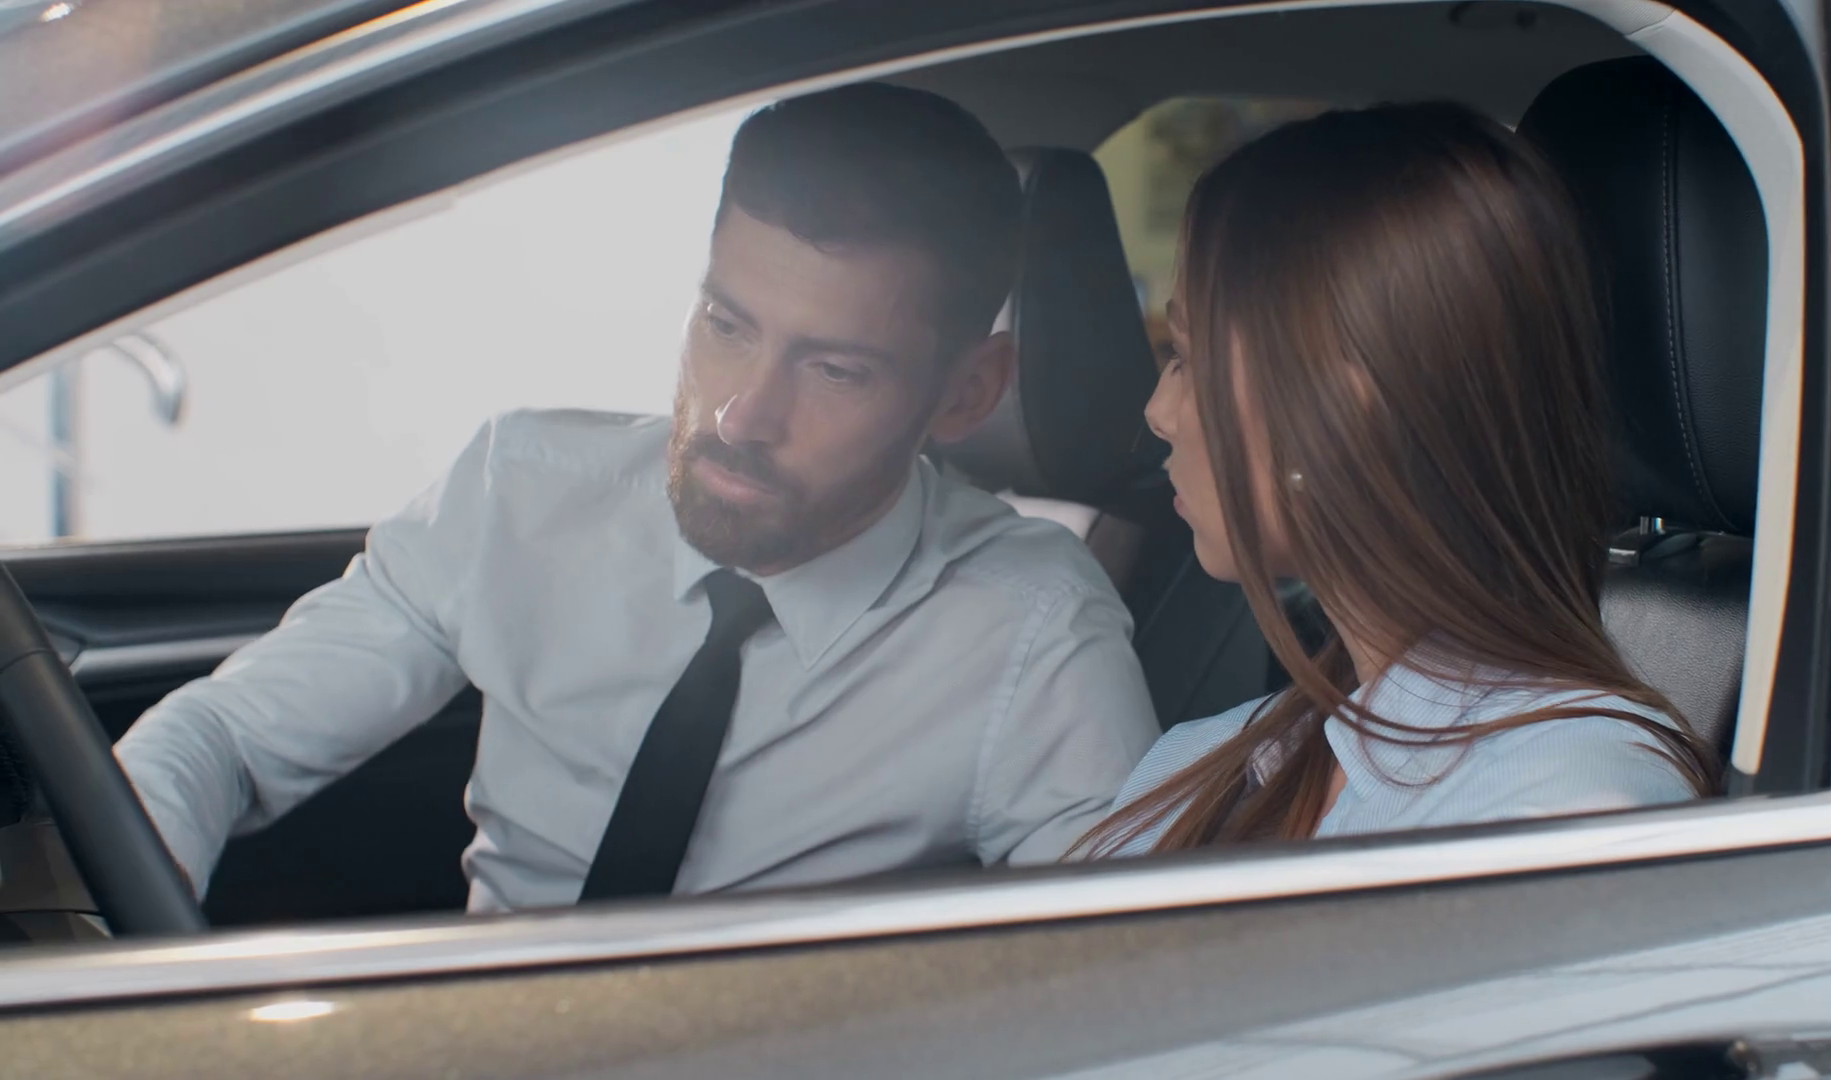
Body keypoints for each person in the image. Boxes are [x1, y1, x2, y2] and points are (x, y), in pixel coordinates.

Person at [116, 84, 1160, 912]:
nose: (742, 414)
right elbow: (219, 740)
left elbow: (1141, 984)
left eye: (835, 369)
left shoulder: (1031, 632)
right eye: (726, 323)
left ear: (967, 392)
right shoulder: (519, 491)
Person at [1074, 103, 1719, 860]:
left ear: (1346, 407)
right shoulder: (1210, 759)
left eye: (1190, 358)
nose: (1158, 411)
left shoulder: (1565, 802)